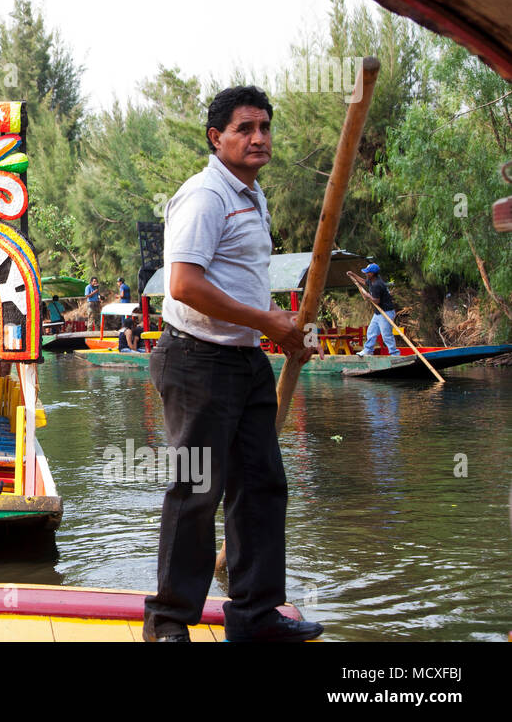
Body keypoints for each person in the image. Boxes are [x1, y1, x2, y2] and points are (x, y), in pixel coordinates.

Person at [143, 85, 322, 643]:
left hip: (244, 360)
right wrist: (268, 323)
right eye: (245, 129)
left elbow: (237, 281)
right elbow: (185, 284)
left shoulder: (252, 194)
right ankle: (169, 623)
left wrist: (283, 328)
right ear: (216, 138)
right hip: (196, 360)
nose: (259, 138)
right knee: (196, 492)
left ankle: (255, 615)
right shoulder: (205, 195)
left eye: (265, 128)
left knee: (262, 487)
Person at [349, 264, 401, 356]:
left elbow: (376, 301)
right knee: (371, 332)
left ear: (372, 273)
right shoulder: (371, 280)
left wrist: (368, 296)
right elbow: (363, 281)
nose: (365, 273)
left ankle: (394, 353)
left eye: (367, 272)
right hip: (378, 313)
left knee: (386, 335)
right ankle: (368, 350)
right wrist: (353, 275)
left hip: (386, 312)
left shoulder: (377, 284)